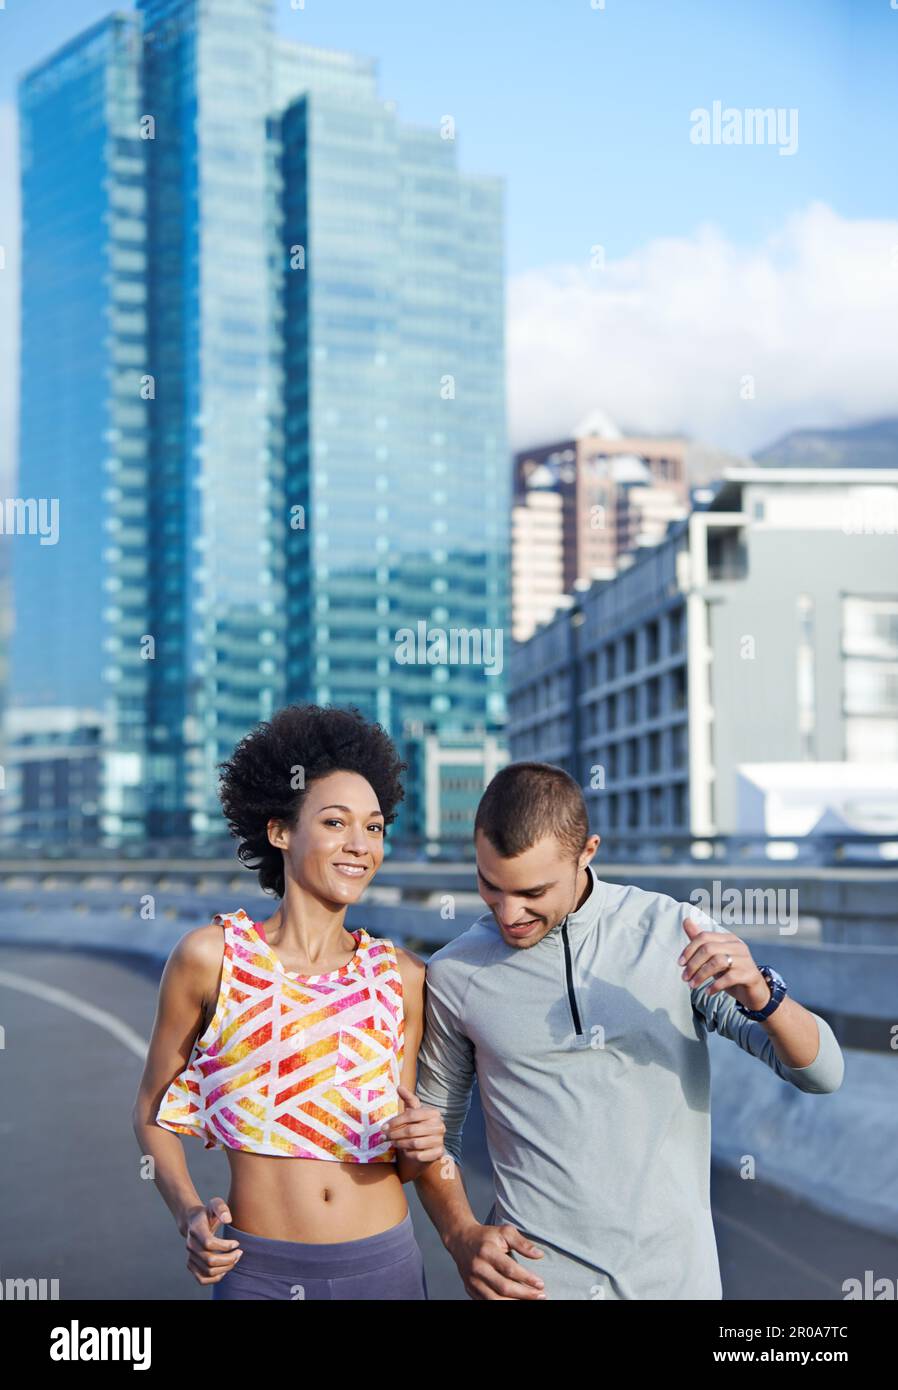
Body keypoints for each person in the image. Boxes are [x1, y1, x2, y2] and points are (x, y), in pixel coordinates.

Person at [412, 761, 845, 1300]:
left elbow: (822, 1073)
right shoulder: (456, 972)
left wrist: (762, 993)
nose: (508, 912)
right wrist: (460, 1235)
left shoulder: (674, 932)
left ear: (587, 853)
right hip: (534, 1289)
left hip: (676, 1286)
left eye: (532, 891)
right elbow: (431, 1135)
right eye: (489, 885)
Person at [132, 704, 445, 1300]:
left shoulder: (402, 977)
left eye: (374, 827)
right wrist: (189, 1213)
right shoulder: (212, 957)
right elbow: (150, 1114)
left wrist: (422, 1144)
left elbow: (403, 1159)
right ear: (279, 831)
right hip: (259, 1274)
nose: (359, 845)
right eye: (334, 823)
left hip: (384, 1267)